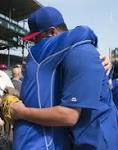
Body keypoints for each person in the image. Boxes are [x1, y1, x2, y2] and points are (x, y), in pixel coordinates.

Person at [10, 7, 118, 150]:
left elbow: (69, 116)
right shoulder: (65, 57)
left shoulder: (80, 52)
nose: (35, 44)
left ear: (52, 32)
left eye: (37, 38)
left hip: (98, 143)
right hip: (82, 139)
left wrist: (20, 112)